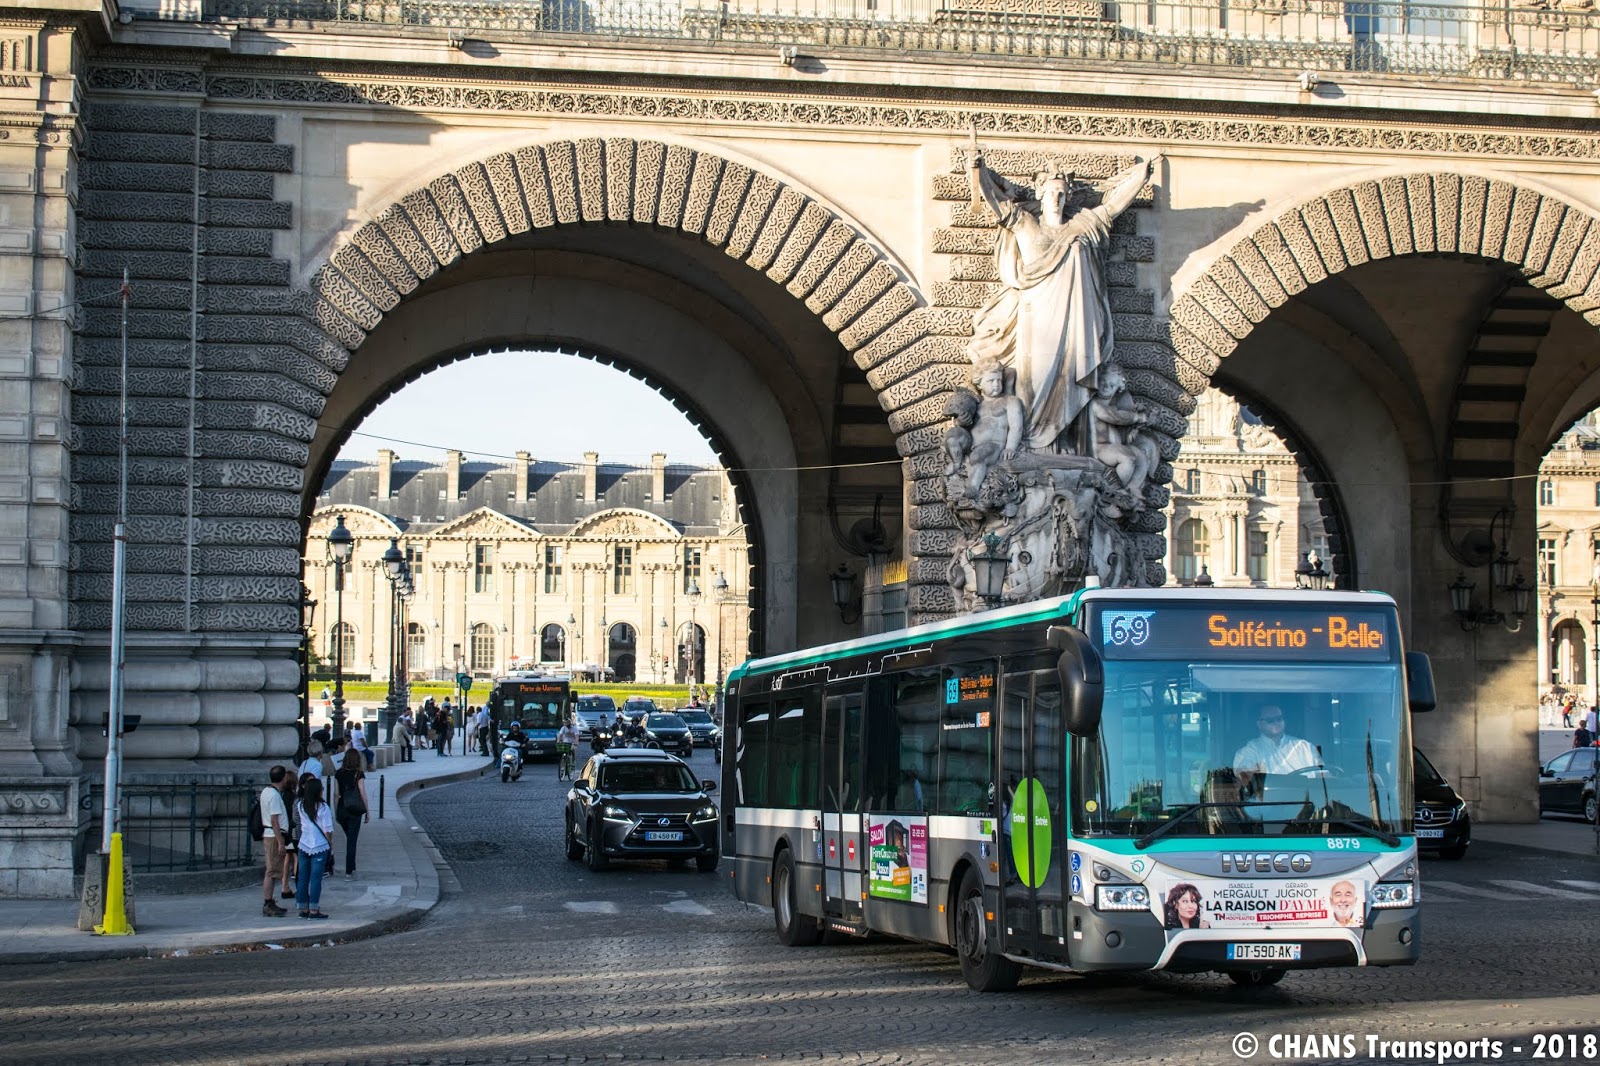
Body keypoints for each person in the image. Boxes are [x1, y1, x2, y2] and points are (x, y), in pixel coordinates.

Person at [966, 136, 1159, 454]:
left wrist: (1142, 174)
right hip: (1036, 318)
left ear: (1067, 196)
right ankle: (1033, 443)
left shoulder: (1081, 227)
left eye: (1061, 193)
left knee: (1071, 380)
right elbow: (995, 202)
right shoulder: (1026, 224)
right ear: (1040, 194)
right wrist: (978, 169)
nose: (1056, 198)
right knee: (1034, 380)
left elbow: (1112, 207)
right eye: (1050, 192)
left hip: (1075, 322)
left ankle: (1063, 443)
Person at [1232, 704, 1319, 794]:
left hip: (1308, 803)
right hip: (1268, 805)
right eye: (1270, 720)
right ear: (1259, 724)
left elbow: (1325, 779)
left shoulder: (1304, 746)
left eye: (1279, 719)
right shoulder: (1248, 751)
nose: (1276, 723)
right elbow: (1245, 781)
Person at [294, 776, 335, 920]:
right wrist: (330, 845)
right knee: (316, 879)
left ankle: (303, 907)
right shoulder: (323, 807)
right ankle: (314, 909)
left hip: (304, 844)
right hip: (319, 845)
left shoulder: (300, 805)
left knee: (303, 878)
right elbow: (327, 829)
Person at [259, 766, 291, 918]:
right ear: (283, 777)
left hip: (270, 834)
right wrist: (281, 842)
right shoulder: (274, 796)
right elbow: (275, 821)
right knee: (271, 872)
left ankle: (270, 902)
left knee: (271, 870)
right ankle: (268, 903)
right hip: (273, 835)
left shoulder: (266, 791)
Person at [334, 748, 370, 880]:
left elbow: (336, 794)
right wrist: (367, 811)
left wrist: (336, 810)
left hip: (342, 809)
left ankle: (352, 868)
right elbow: (363, 793)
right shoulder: (358, 774)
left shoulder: (338, 773)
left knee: (350, 838)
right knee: (351, 841)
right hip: (354, 810)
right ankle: (349, 871)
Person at [555, 715, 579, 780]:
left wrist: (576, 742)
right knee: (563, 753)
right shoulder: (563, 728)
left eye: (568, 722)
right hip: (565, 743)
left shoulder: (574, 728)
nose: (566, 724)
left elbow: (577, 736)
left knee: (573, 751)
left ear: (570, 723)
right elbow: (560, 735)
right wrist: (558, 741)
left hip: (572, 743)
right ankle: (563, 764)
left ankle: (573, 762)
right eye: (565, 723)